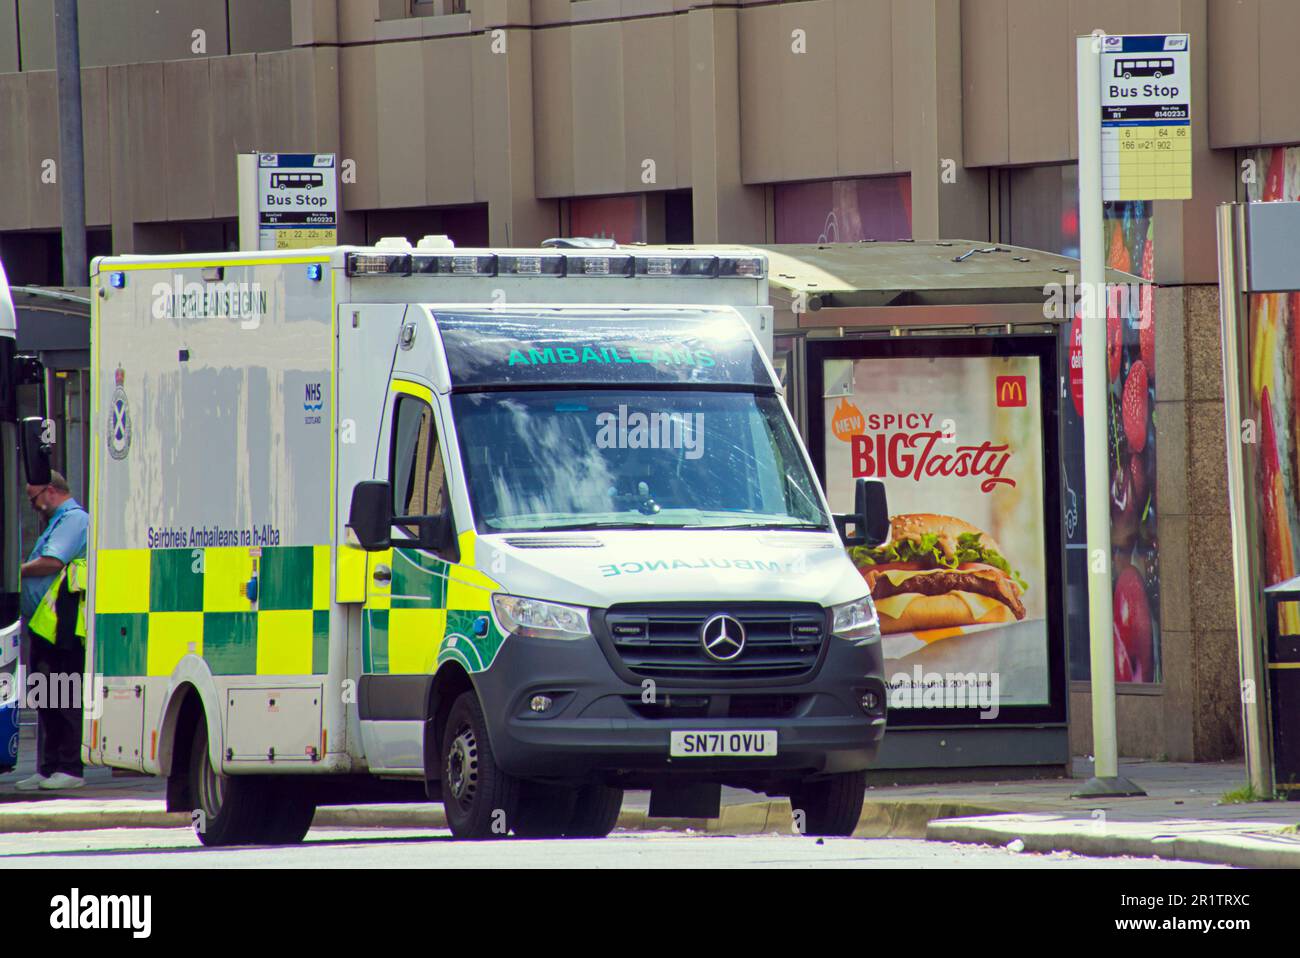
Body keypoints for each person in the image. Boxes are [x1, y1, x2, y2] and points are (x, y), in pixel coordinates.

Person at [15, 472, 89, 791]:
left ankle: (70, 767)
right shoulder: (57, 521)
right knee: (45, 694)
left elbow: (52, 562)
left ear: (51, 490)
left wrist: (14, 569)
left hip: (64, 624)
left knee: (64, 692)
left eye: (34, 498)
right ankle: (48, 768)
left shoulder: (73, 519)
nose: (33, 505)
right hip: (47, 624)